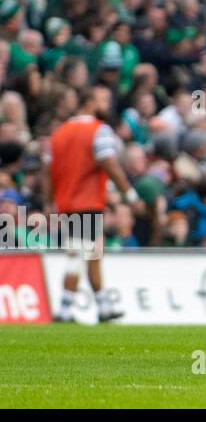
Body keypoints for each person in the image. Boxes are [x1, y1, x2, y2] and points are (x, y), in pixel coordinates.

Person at [45, 85, 138, 324]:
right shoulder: (99, 130)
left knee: (92, 252)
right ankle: (65, 309)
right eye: (103, 100)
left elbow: (47, 170)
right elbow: (108, 161)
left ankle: (103, 307)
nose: (107, 105)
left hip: (67, 202)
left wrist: (48, 201)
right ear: (90, 102)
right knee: (78, 255)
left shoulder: (59, 133)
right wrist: (129, 194)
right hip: (87, 201)